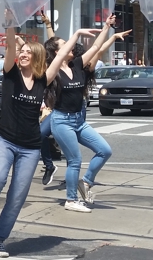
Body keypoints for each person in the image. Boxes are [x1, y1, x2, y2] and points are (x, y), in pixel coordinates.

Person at [0, 20, 68, 256]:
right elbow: (11, 44)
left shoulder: (43, 80)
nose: (22, 54)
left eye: (27, 52)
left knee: (17, 196)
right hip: (5, 140)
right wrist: (10, 23)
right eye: (21, 52)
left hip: (30, 148)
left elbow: (61, 54)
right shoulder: (11, 73)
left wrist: (80, 35)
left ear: (36, 57)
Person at [45, 15, 114, 213]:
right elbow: (57, 58)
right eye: (64, 44)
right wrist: (76, 34)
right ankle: (70, 199)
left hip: (78, 120)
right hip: (61, 121)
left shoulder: (76, 64)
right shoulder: (52, 70)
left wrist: (106, 27)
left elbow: (95, 48)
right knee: (74, 160)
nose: (70, 47)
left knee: (104, 150)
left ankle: (87, 181)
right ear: (57, 52)